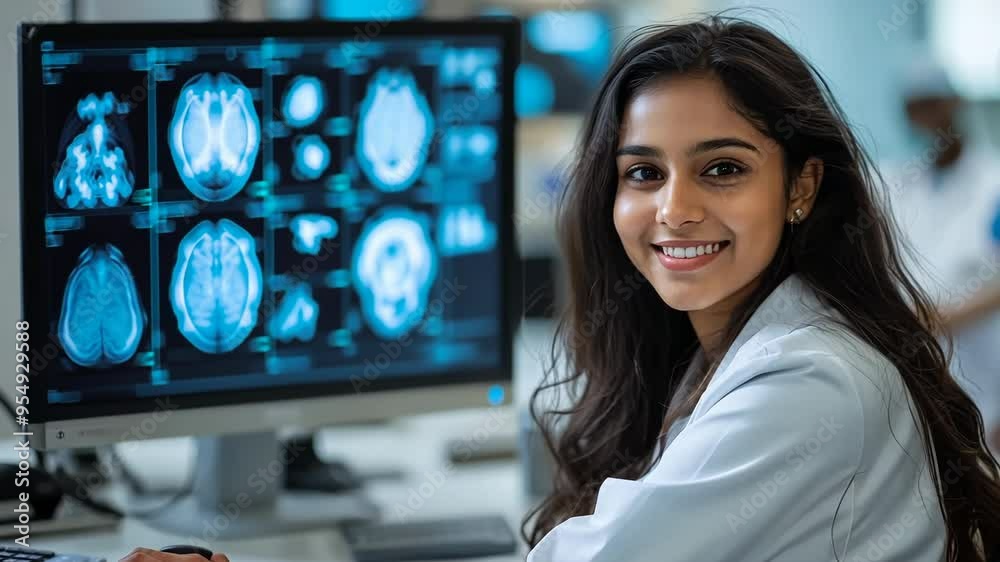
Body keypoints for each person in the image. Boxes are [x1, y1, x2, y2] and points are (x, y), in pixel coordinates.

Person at [124, 15, 1000, 562]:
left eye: (723, 169)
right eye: (643, 172)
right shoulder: (731, 351)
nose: (674, 210)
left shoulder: (809, 383)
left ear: (802, 187)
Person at [886, 58, 1000, 455]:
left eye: (936, 104)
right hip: (923, 382)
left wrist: (935, 320)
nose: (928, 117)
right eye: (916, 108)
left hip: (988, 380)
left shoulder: (994, 184)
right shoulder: (899, 186)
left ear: (957, 103)